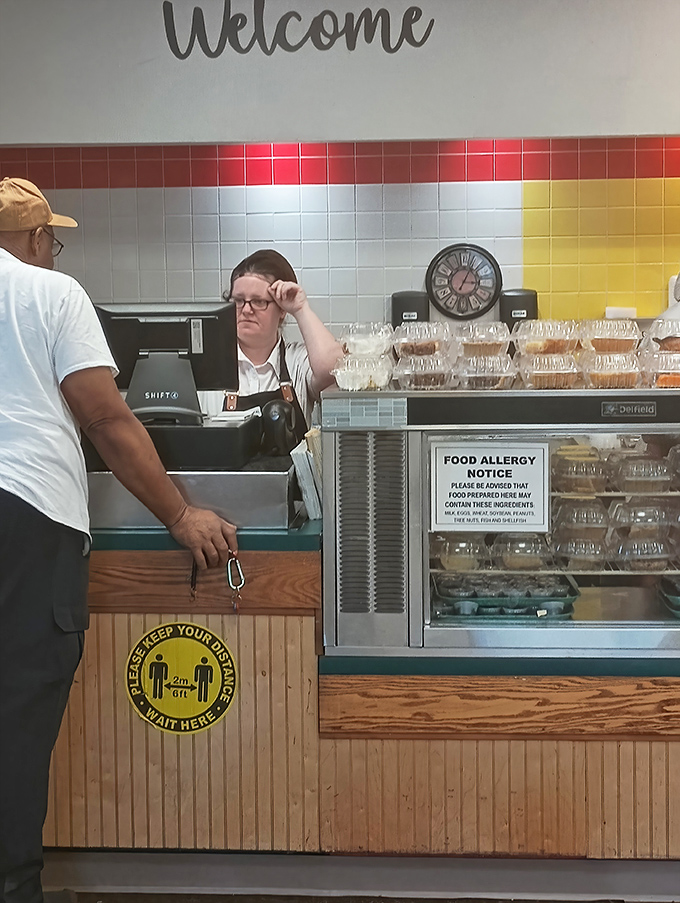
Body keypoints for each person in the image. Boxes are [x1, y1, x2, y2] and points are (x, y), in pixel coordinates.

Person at [0, 177, 238, 903]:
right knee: (16, 711)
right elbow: (106, 418)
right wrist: (178, 513)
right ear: (39, 239)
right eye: (54, 240)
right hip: (25, 517)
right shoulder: (49, 292)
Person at [222, 249, 343, 443]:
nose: (246, 309)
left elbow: (333, 370)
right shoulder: (210, 365)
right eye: (238, 300)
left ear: (282, 310)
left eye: (259, 301)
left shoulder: (297, 360)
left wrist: (300, 308)